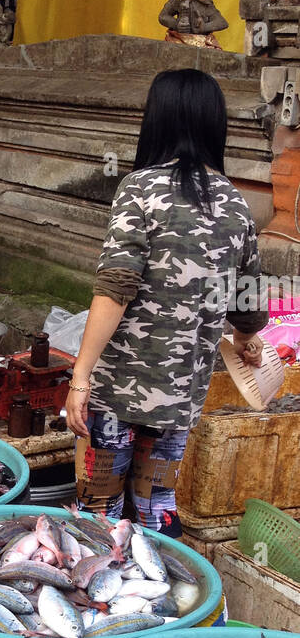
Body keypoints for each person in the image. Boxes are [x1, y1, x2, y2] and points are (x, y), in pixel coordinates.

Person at [66, 69, 267, 536]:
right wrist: (246, 340)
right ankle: (166, 598)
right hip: (180, 394)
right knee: (156, 505)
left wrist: (80, 376)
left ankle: (102, 600)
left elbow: (116, 288)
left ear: (155, 120)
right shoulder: (236, 205)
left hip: (119, 390)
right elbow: (249, 305)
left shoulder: (139, 189)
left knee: (100, 511)